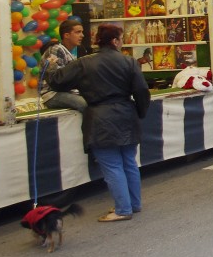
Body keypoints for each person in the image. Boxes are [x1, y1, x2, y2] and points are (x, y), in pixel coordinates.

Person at [48, 23, 150, 221]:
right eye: (120, 39)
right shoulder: (129, 62)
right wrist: (139, 112)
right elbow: (141, 92)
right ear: (114, 41)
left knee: (112, 166)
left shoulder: (84, 63)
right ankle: (133, 204)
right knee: (129, 162)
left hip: (100, 117)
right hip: (126, 114)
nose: (122, 43)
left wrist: (51, 64)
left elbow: (57, 81)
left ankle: (122, 208)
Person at [40, 19, 87, 112]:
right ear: (66, 35)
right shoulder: (56, 49)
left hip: (69, 92)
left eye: (82, 32)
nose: (82, 35)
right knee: (85, 104)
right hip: (52, 94)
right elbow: (56, 81)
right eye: (78, 32)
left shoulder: (79, 50)